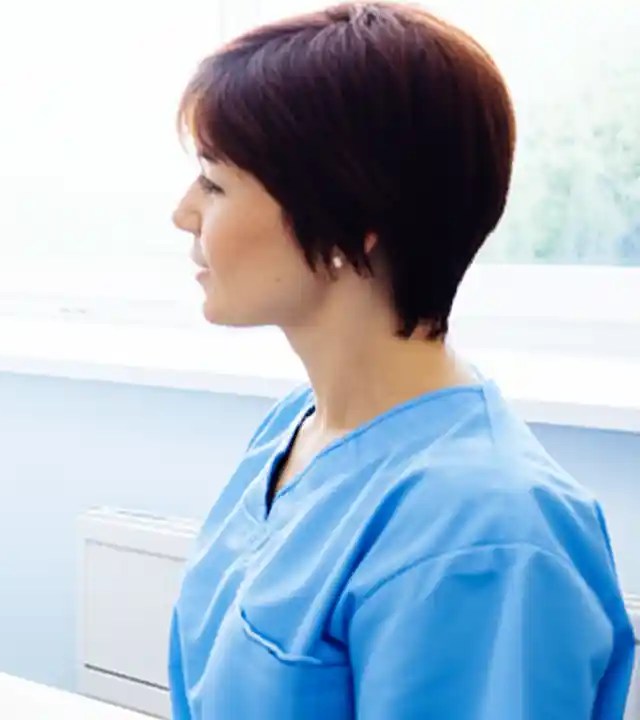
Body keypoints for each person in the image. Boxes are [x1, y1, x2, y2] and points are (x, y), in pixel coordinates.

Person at [166, 4, 635, 719]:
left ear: (351, 222)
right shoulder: (297, 428)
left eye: (215, 183)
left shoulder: (487, 537)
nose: (183, 213)